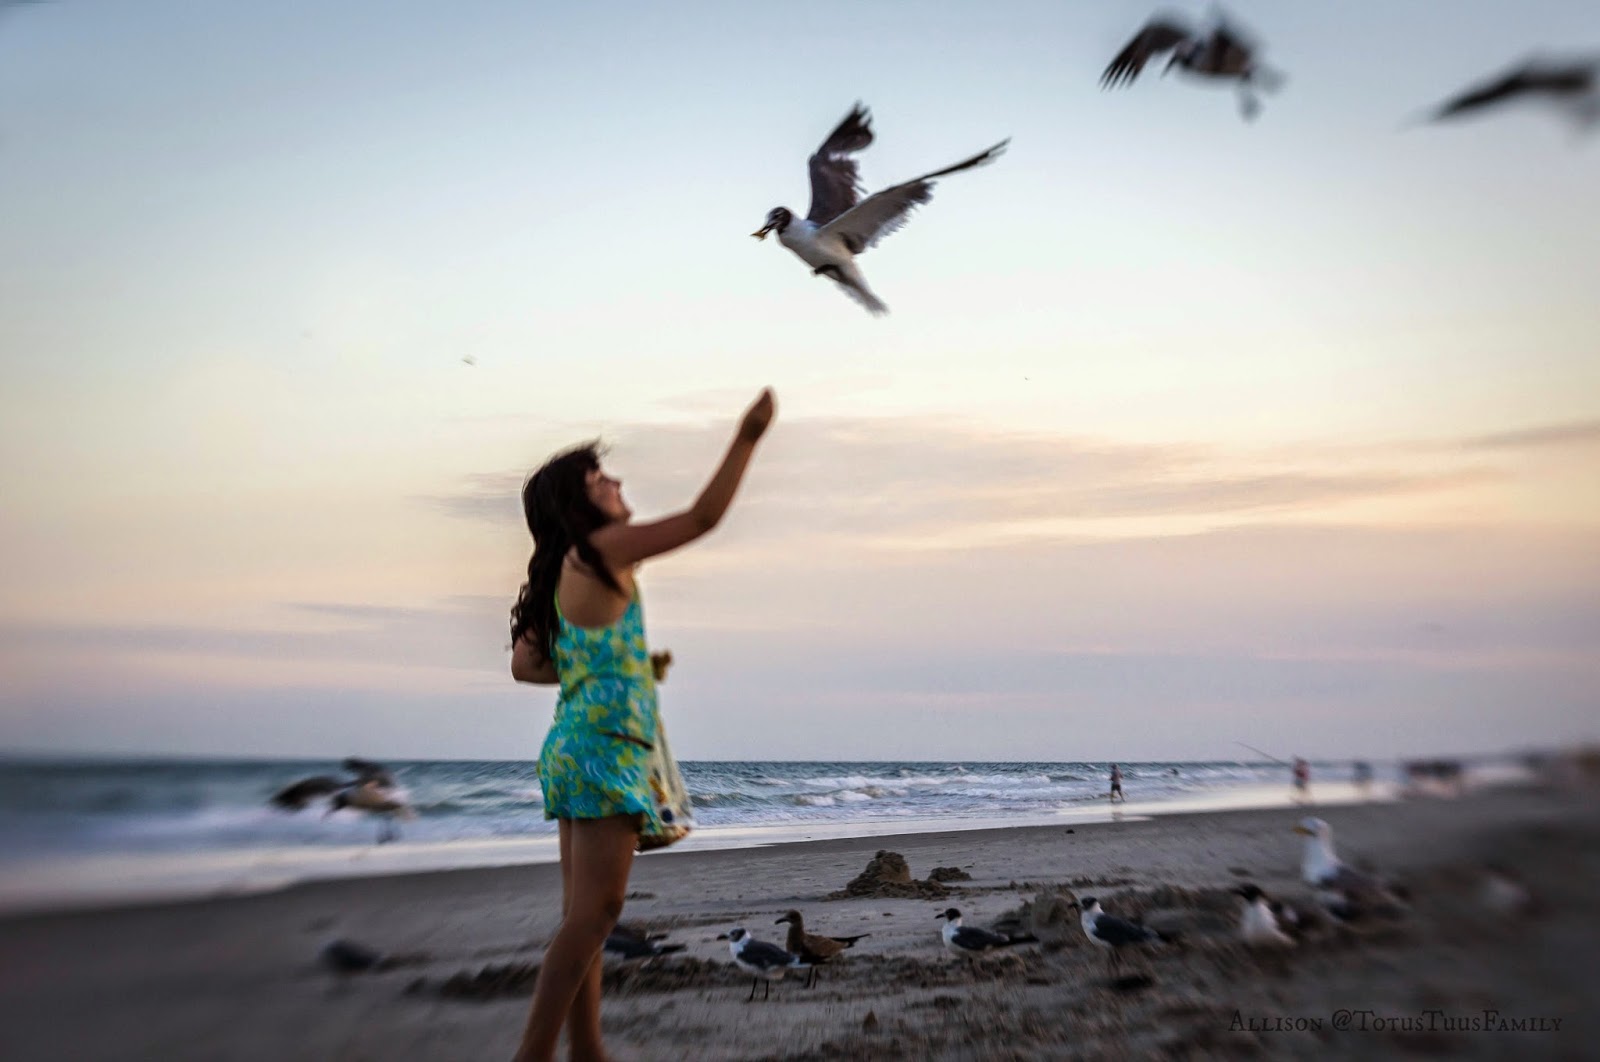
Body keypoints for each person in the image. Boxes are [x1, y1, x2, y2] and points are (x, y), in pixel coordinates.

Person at [507, 388, 776, 1062]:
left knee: (583, 917)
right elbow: (702, 517)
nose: (616, 482)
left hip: (572, 747)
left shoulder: (562, 569)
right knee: (594, 917)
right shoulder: (600, 549)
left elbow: (526, 666)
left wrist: (610, 667)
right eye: (599, 478)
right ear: (579, 504)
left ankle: (587, 1049)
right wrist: (748, 434)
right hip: (604, 752)